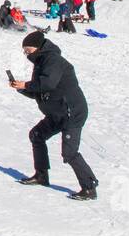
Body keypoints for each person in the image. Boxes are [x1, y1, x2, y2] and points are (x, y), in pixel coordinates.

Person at [10, 31, 99, 201]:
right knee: (37, 135)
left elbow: (47, 83)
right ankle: (41, 175)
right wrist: (21, 88)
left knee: (69, 153)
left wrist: (27, 84)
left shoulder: (53, 60)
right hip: (56, 112)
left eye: (27, 50)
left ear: (37, 47)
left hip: (71, 113)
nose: (26, 54)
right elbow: (41, 90)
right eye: (24, 51)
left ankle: (89, 187)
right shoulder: (41, 61)